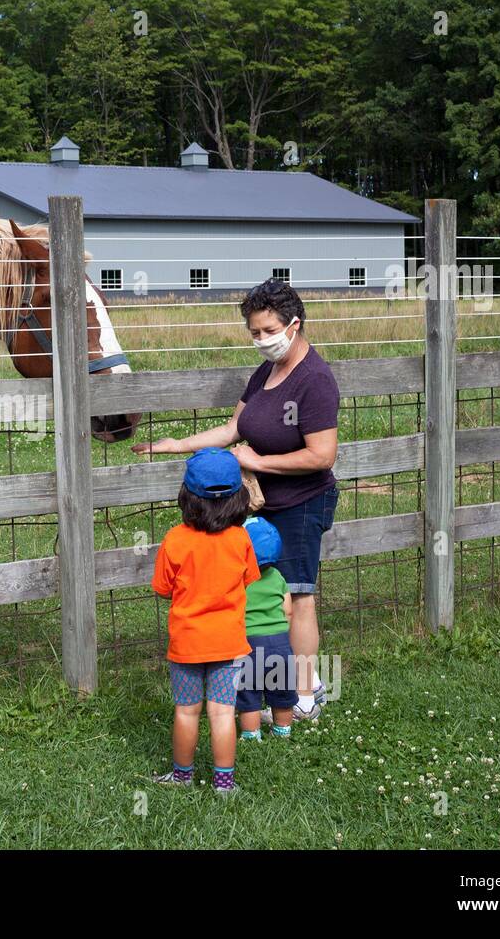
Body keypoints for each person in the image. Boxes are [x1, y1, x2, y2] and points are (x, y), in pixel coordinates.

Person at [134, 278, 339, 720]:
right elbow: (233, 430)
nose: (262, 340)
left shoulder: (315, 380)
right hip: (263, 505)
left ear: (294, 325)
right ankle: (278, 689)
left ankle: (306, 695)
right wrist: (178, 444)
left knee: (298, 595)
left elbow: (322, 455)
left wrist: (260, 462)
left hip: (301, 502)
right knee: (264, 593)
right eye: (254, 333)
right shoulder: (267, 372)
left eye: (268, 331)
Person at [150, 447, 259, 793]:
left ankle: (182, 777)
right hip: (228, 644)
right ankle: (224, 784)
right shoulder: (241, 539)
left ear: (187, 496)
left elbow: (163, 588)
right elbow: (247, 579)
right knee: (223, 713)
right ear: (239, 498)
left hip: (187, 644)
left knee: (186, 711)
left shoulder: (175, 540)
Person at [237, 516, 297, 740]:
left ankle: (251, 734)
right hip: (280, 643)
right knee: (282, 691)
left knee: (249, 694)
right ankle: (282, 730)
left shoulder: (239, 580)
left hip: (248, 644)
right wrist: (282, 631)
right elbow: (288, 610)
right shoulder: (278, 578)